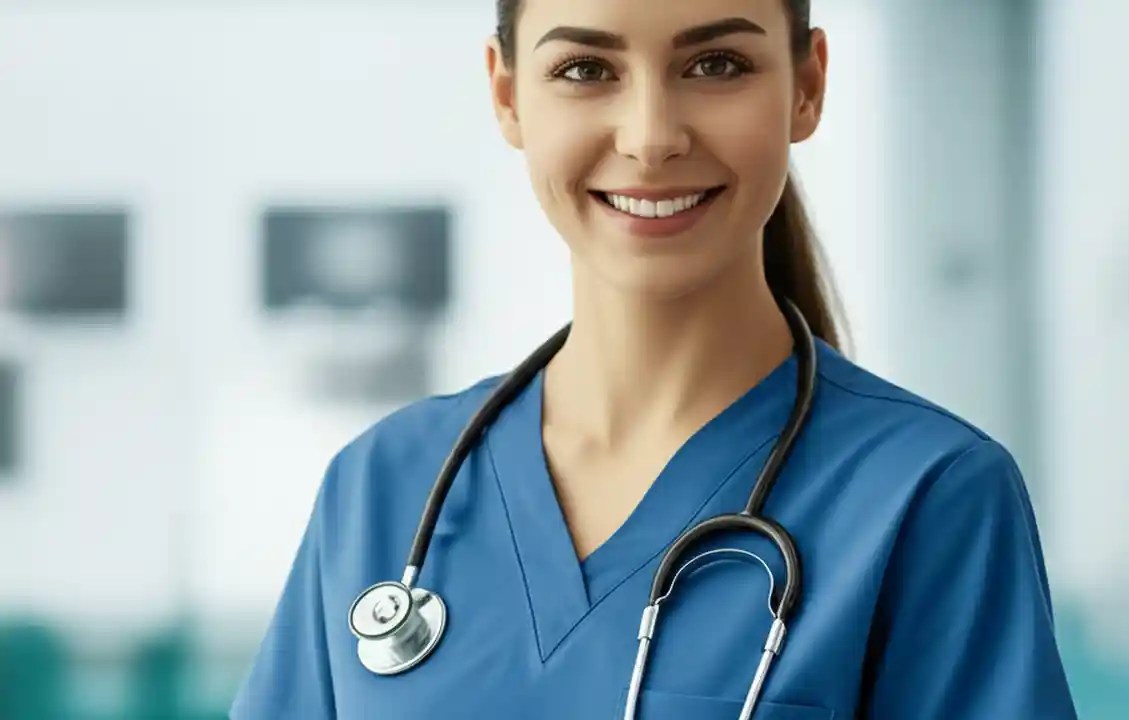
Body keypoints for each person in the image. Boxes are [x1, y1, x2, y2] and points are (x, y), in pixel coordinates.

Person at [230, 0, 1078, 717]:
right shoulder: (382, 485)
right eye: (586, 71)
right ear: (507, 94)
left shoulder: (928, 495)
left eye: (715, 65)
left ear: (808, 87)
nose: (651, 136)